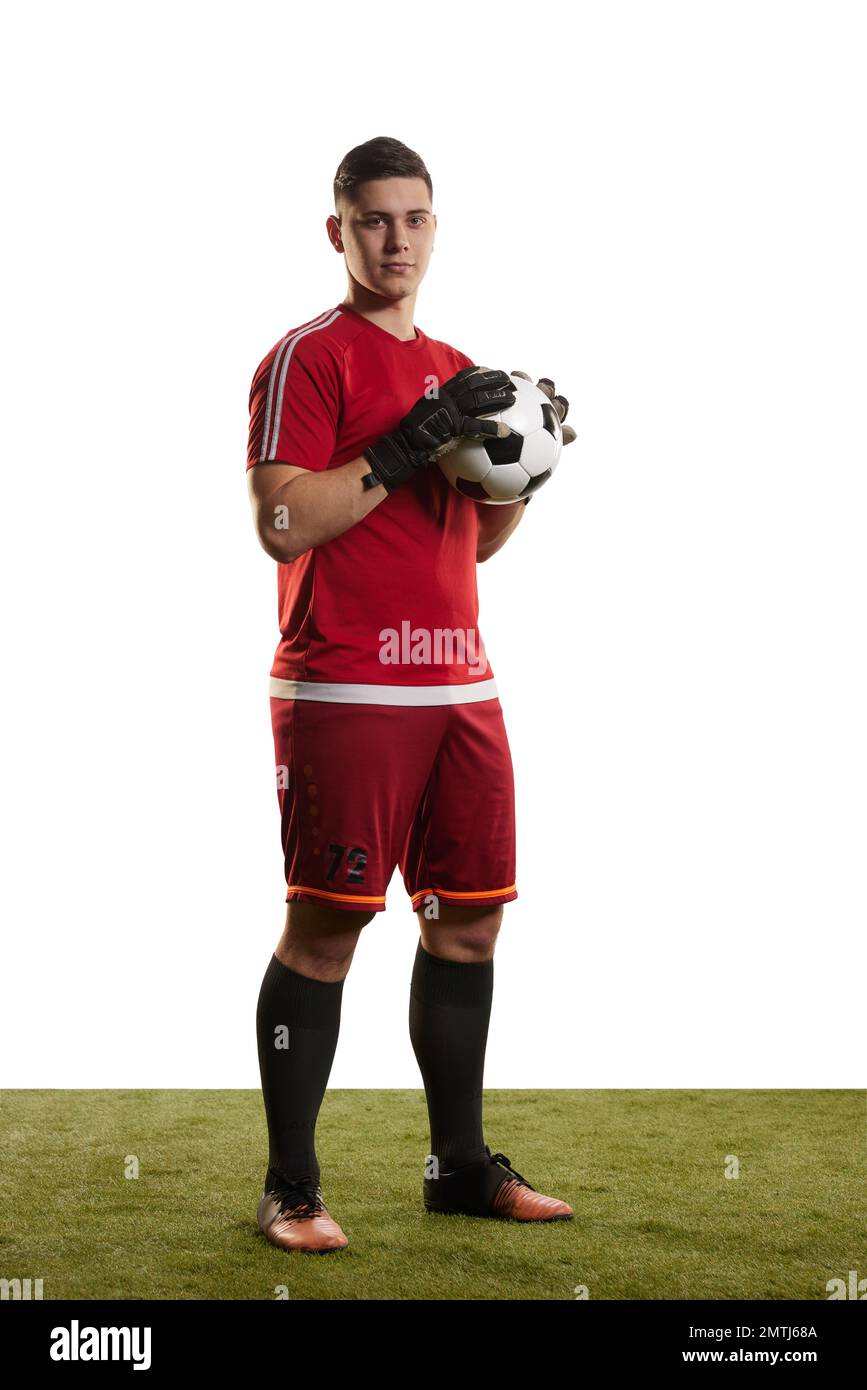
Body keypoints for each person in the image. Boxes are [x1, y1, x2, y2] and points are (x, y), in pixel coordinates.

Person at [246, 136, 576, 1253]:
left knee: (470, 925)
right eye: (374, 220)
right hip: (345, 682)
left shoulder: (456, 361)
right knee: (328, 926)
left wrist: (526, 470)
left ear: (435, 227)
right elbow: (281, 520)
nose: (397, 240)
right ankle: (291, 1185)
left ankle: (459, 1165)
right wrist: (407, 442)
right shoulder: (308, 358)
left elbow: (467, 543)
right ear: (338, 230)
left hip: (459, 684)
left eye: (415, 219)